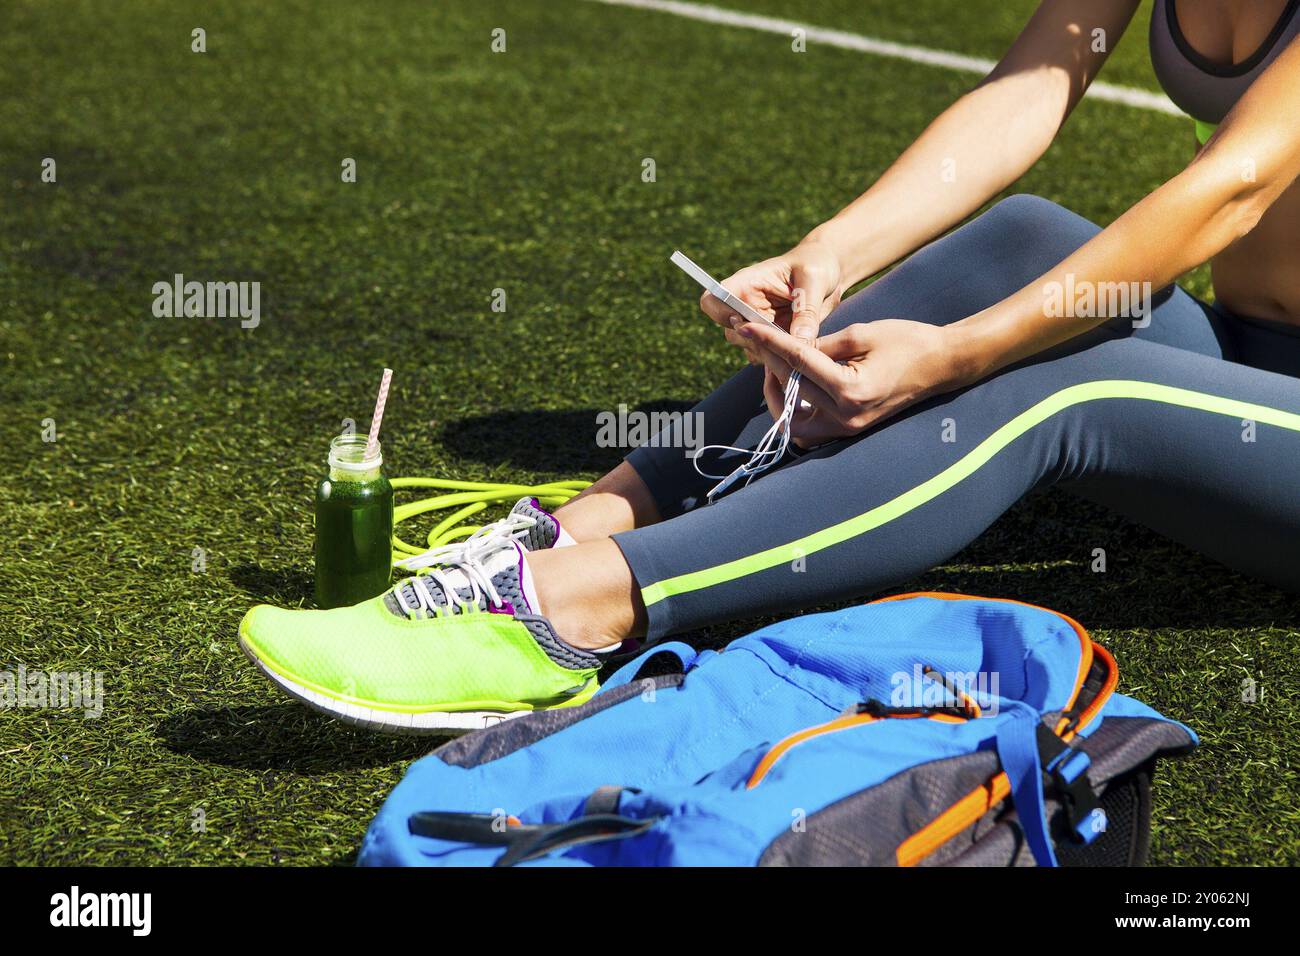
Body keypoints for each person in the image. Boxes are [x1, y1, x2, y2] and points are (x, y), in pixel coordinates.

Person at [240, 0, 1300, 732]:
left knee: (1067, 387)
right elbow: (1025, 95)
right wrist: (829, 253)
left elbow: (1233, 189)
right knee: (1022, 235)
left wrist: (954, 353)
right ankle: (568, 529)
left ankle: (571, 612)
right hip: (1251, 358)